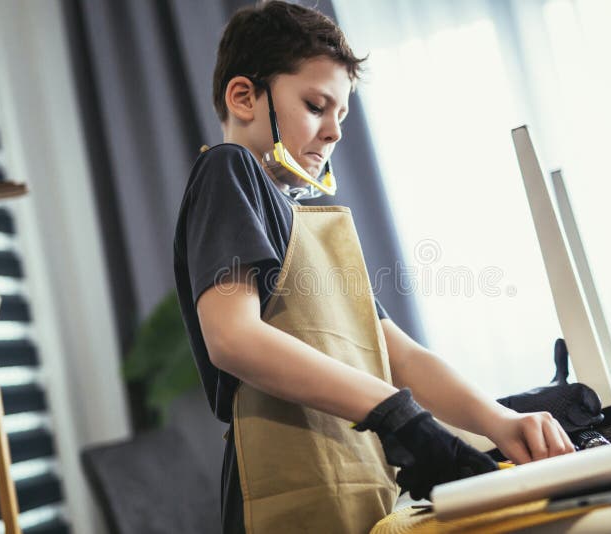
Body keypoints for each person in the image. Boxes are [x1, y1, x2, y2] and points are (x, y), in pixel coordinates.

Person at [173, 2, 575, 532]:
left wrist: (499, 421)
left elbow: (395, 352)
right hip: (283, 487)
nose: (334, 132)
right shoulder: (230, 171)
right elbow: (234, 337)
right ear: (244, 97)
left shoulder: (303, 221)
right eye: (317, 106)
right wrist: (392, 412)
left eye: (342, 115)